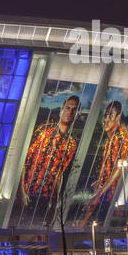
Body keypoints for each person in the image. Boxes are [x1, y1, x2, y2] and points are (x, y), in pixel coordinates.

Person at [20, 95, 81, 227]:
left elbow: (60, 174)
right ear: (61, 109)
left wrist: (54, 204)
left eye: (74, 109)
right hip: (29, 194)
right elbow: (24, 161)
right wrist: (22, 192)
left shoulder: (71, 144)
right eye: (67, 108)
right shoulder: (44, 131)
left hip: (46, 199)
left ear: (77, 114)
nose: (69, 112)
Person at [78, 100, 128, 227]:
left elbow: (118, 169)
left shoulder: (120, 137)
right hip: (104, 191)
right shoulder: (111, 138)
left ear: (118, 117)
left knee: (87, 223)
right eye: (105, 115)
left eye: (110, 115)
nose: (106, 119)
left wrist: (100, 193)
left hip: (109, 196)